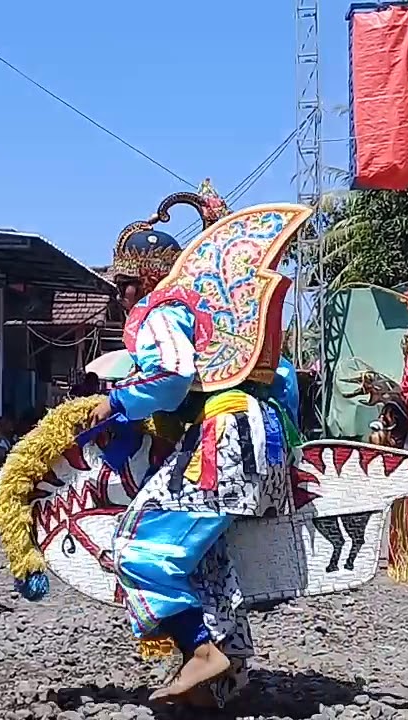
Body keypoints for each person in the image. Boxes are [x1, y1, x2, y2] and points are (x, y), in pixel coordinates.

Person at [80, 182, 305, 705]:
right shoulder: (212, 314)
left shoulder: (163, 308)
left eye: (123, 286)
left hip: (222, 439)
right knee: (204, 561)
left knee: (138, 546)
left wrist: (115, 404)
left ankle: (201, 651)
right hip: (256, 437)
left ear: (141, 280)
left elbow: (172, 375)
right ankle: (223, 679)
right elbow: (285, 381)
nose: (121, 298)